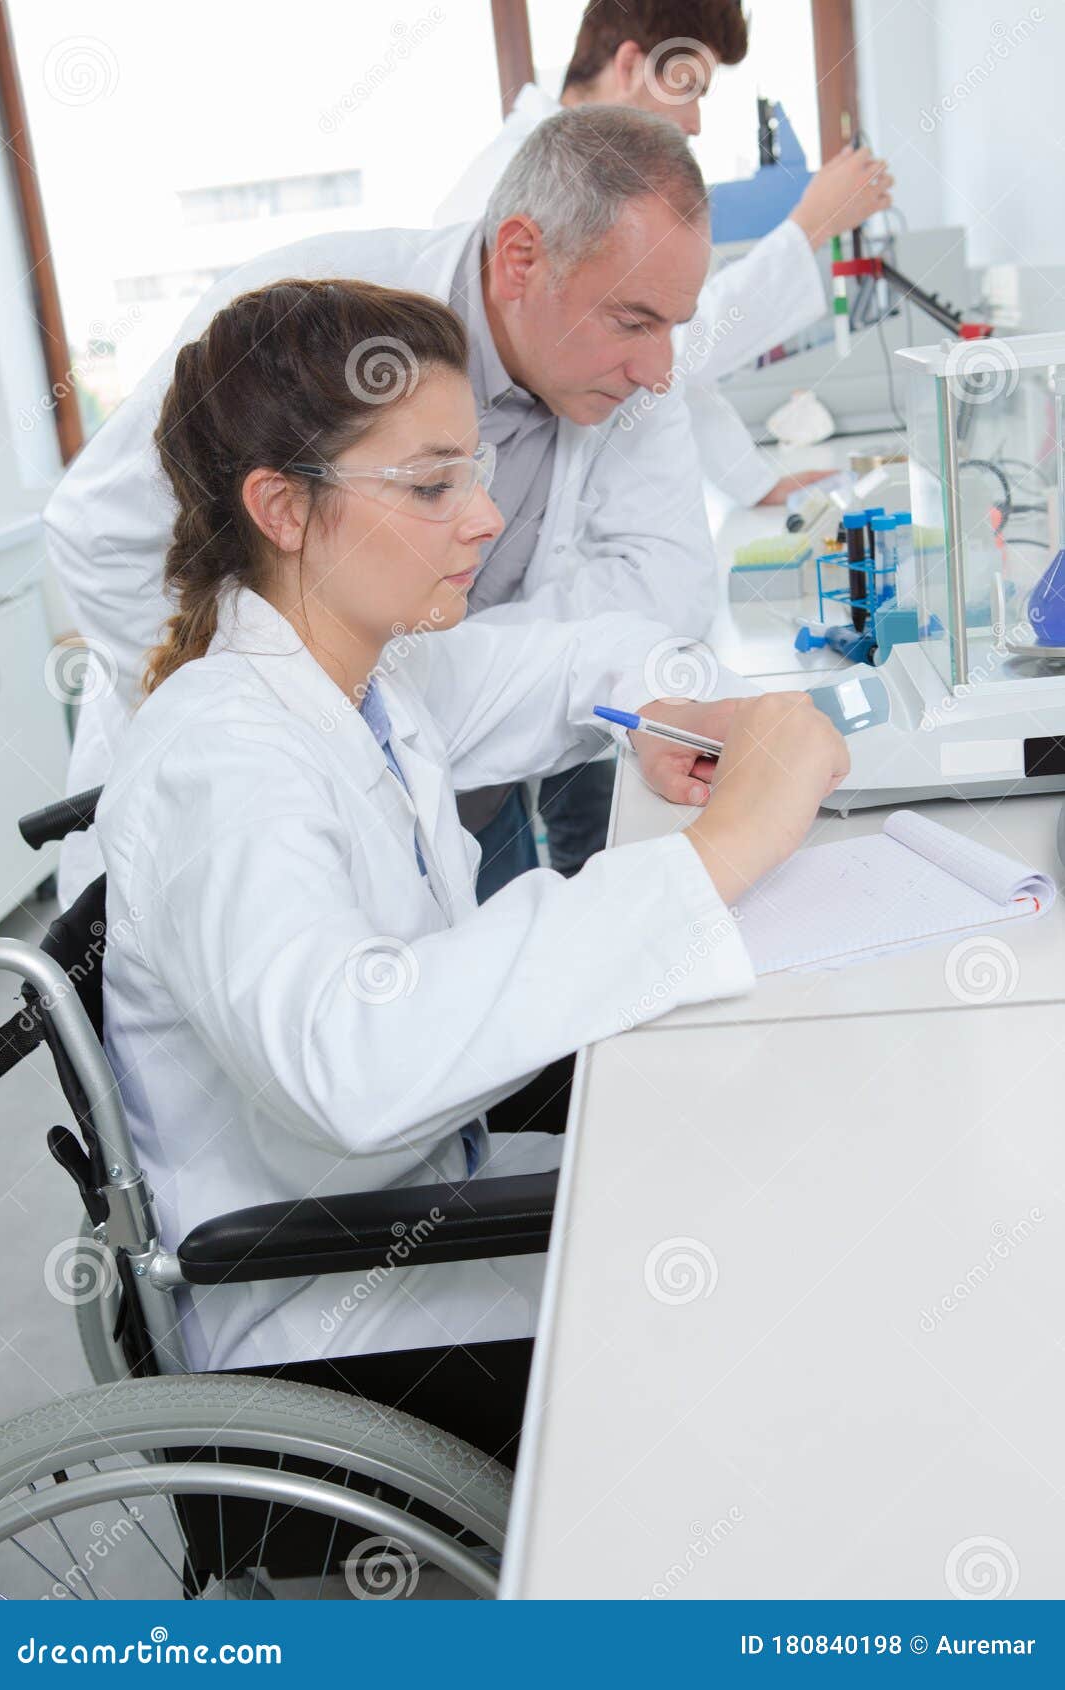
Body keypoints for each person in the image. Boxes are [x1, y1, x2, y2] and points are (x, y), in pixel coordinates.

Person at [95, 276, 848, 1387]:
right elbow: (352, 1063)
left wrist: (663, 704)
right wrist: (718, 851)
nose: (485, 517)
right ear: (284, 508)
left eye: (474, 470)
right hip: (335, 1320)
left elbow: (562, 663)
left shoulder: (372, 671)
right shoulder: (222, 761)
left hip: (425, 1221)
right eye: (431, 483)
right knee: (765, 1320)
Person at [46, 107, 732, 907]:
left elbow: (668, 591)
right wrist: (272, 720)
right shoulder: (315, 328)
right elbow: (98, 531)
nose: (658, 368)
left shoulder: (624, 378)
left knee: (472, 980)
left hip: (463, 783)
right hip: (256, 805)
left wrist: (406, 680)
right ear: (520, 257)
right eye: (634, 321)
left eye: (673, 327)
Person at [435, 0, 894, 510]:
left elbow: (660, 355)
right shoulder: (516, 181)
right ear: (630, 66)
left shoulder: (602, 185)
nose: (695, 122)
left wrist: (755, 483)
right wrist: (812, 226)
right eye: (689, 87)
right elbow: (666, 351)